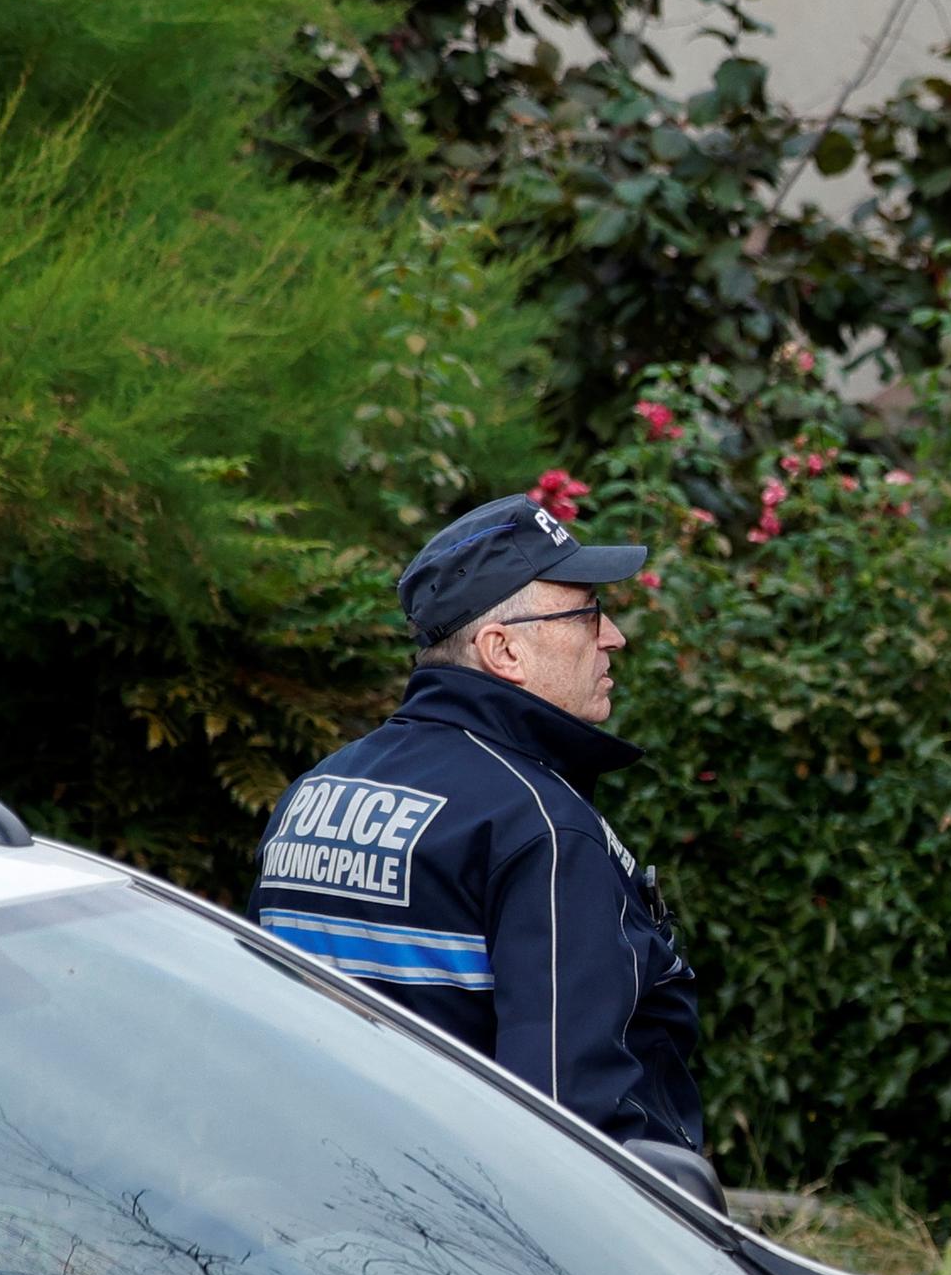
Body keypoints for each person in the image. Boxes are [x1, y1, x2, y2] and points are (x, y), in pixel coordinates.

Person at [255, 493, 710, 1183]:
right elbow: (566, 1131)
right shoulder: (543, 830)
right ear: (504, 650)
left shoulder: (314, 793)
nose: (613, 635)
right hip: (471, 1250)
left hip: (315, 1204)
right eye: (587, 613)